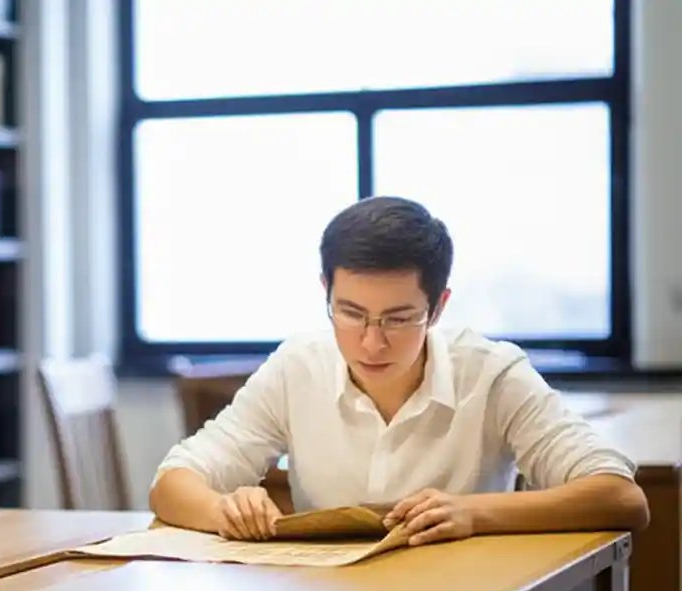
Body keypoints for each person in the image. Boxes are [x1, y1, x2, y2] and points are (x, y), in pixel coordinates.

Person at [149, 195, 649, 545]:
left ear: (438, 307)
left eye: (398, 318)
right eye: (349, 312)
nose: (371, 341)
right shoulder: (297, 367)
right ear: (326, 289)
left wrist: (472, 513)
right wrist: (224, 512)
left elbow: (621, 497)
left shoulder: (492, 374)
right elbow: (172, 483)